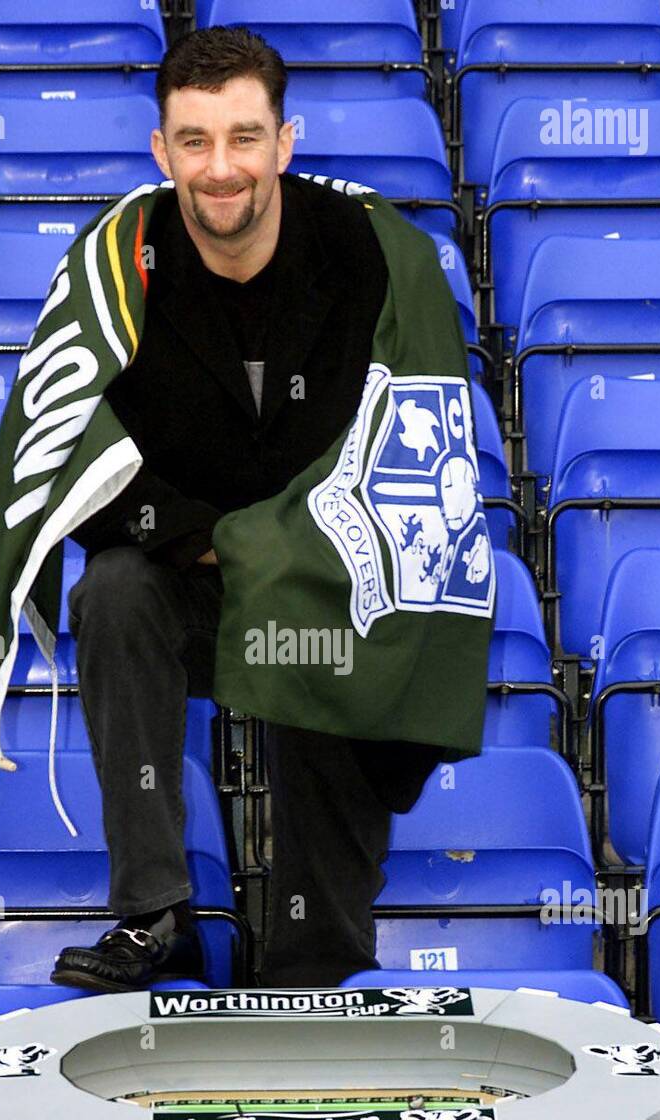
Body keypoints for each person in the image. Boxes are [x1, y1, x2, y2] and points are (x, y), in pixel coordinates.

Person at [49, 26, 452, 993]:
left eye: (243, 137)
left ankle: (319, 957)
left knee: (321, 619)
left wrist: (295, 554)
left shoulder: (362, 259)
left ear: (284, 142)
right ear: (161, 152)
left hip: (323, 579)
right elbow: (88, 467)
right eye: (195, 141)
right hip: (187, 581)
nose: (220, 168)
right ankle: (155, 918)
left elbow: (404, 446)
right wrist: (223, 545)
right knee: (110, 591)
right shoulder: (118, 268)